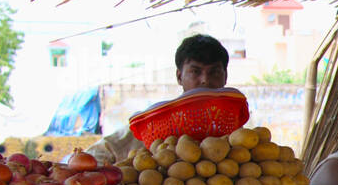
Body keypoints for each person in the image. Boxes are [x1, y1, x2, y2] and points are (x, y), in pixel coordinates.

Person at [89, 34, 246, 162]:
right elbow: (98, 153)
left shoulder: (234, 130)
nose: (205, 80)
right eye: (195, 72)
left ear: (225, 77)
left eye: (214, 72)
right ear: (179, 77)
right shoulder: (157, 125)